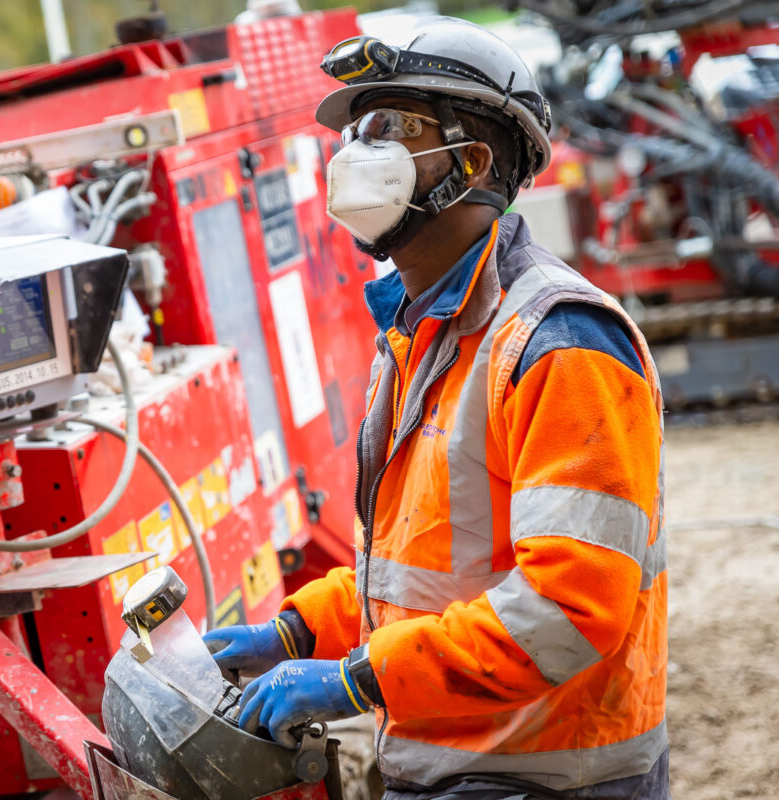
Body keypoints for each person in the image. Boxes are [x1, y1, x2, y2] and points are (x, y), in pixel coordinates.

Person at [203, 17, 669, 800]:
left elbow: (566, 610)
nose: (354, 153)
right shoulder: (424, 332)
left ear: (473, 163)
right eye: (354, 130)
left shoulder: (560, 343)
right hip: (459, 765)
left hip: (545, 777)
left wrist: (355, 680)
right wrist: (298, 631)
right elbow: (427, 570)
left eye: (387, 127)